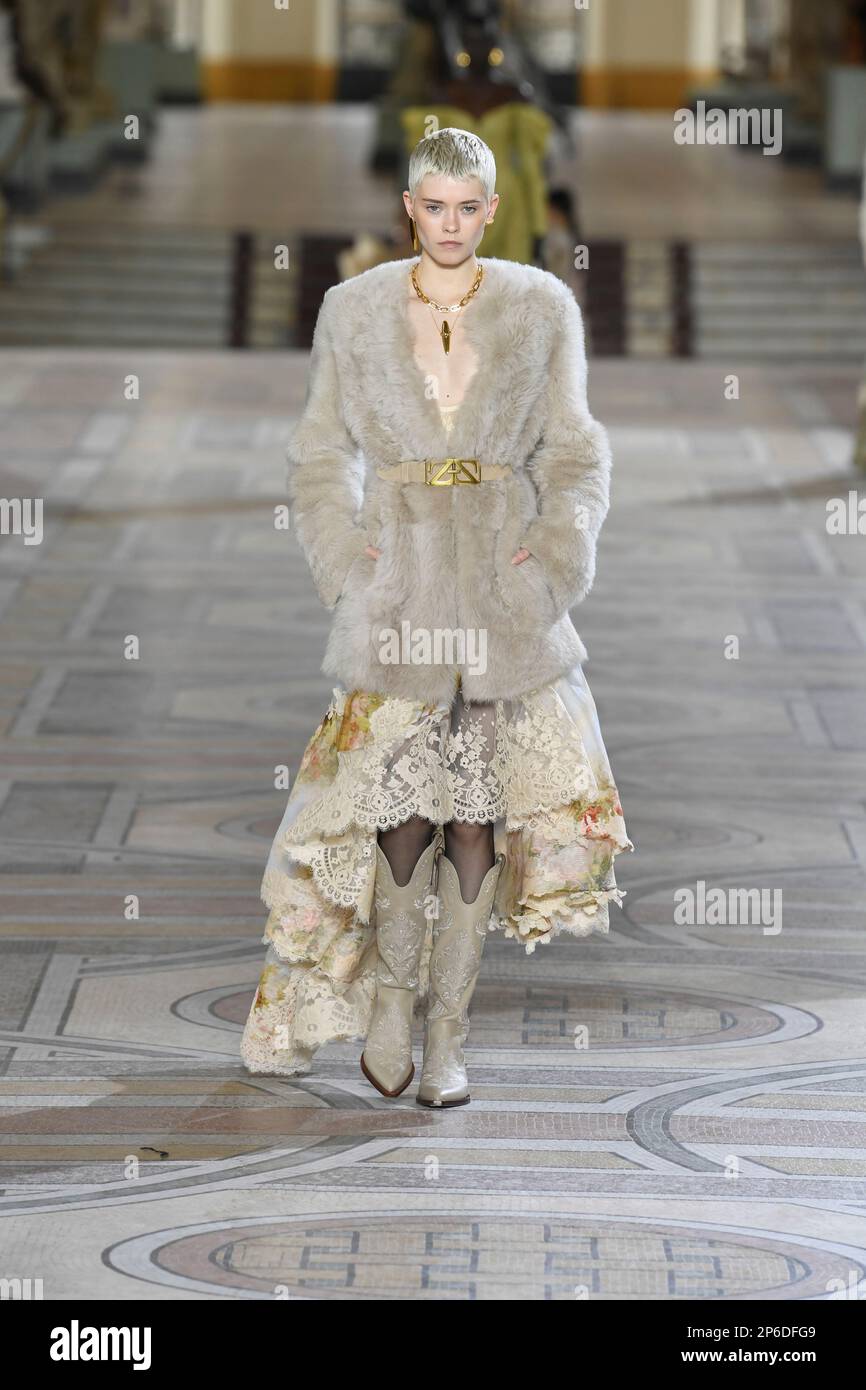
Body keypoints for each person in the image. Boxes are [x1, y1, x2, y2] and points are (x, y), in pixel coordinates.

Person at [240, 127, 634, 1107]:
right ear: (407, 209)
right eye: (433, 205)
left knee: (474, 824)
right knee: (396, 815)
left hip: (504, 598)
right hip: (398, 589)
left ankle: (447, 1039)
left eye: (468, 207)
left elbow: (577, 453)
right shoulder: (355, 309)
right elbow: (319, 452)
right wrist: (343, 564)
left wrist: (552, 562)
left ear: (491, 211)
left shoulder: (541, 308)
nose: (450, 223)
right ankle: (388, 1002)